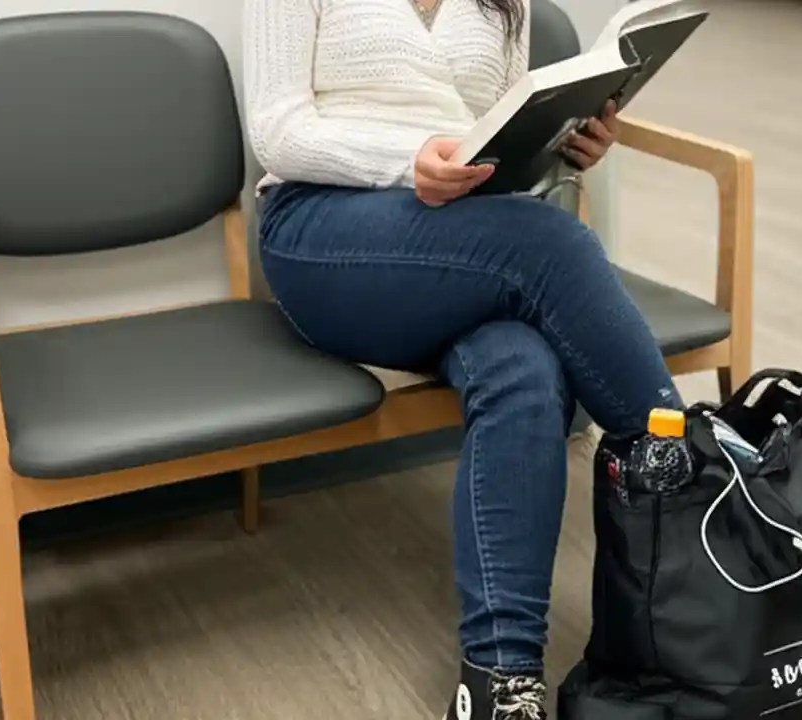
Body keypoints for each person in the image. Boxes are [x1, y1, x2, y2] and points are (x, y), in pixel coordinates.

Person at [243, 1, 681, 718]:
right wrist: (403, 162)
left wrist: (570, 140)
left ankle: (498, 684)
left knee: (524, 367)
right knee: (556, 244)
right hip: (323, 230)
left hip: (459, 243)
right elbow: (277, 129)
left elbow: (503, 147)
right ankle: (721, 504)